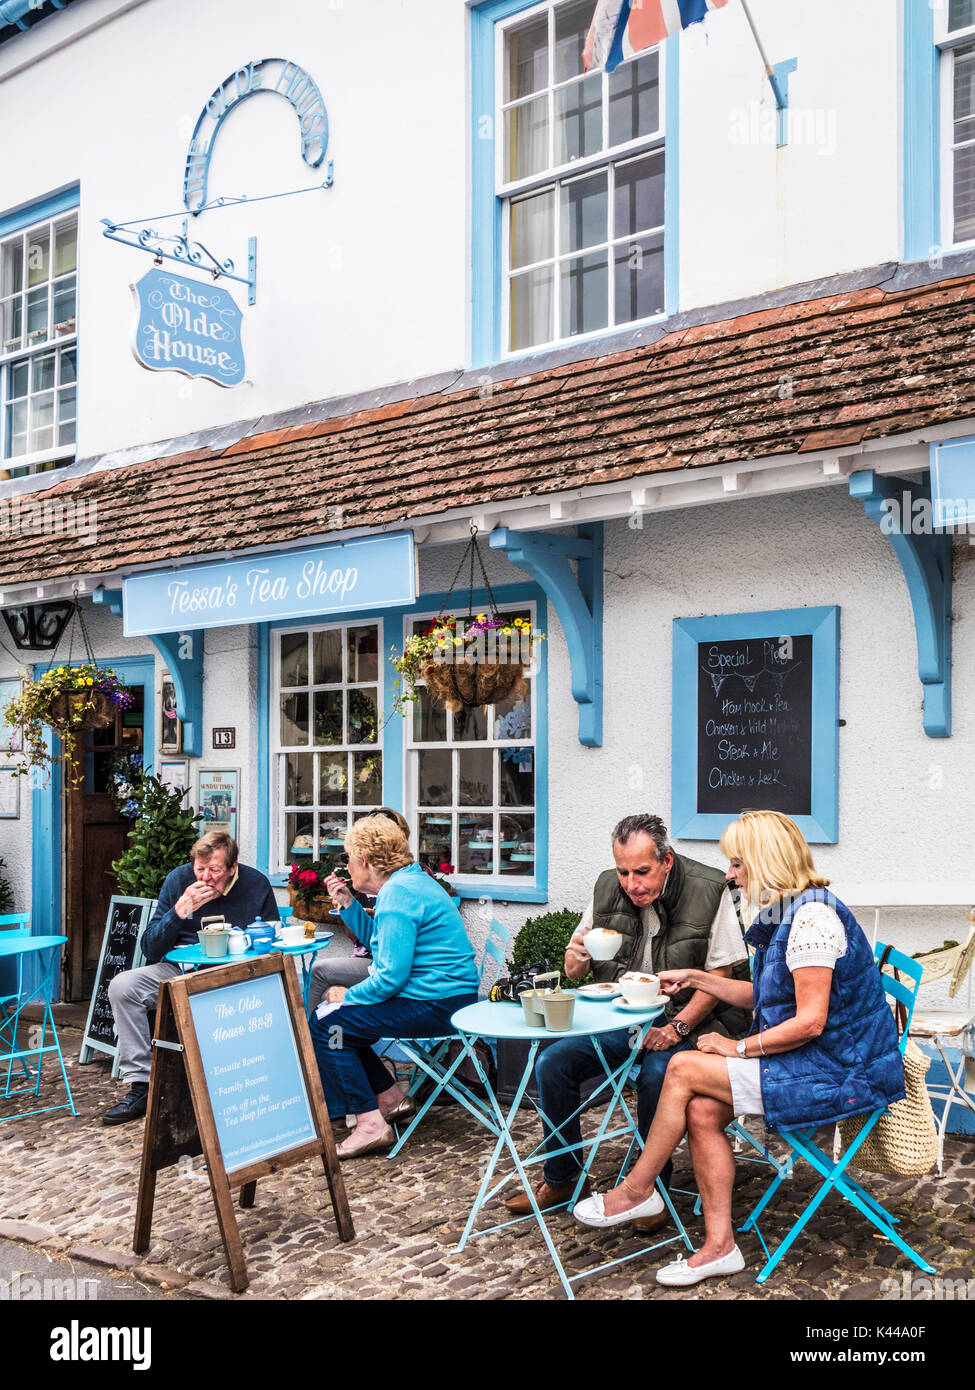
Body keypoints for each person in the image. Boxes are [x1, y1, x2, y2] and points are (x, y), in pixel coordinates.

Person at [572, 810, 906, 1286]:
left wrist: (738, 1048)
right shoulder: (788, 909)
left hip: (839, 1072)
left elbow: (810, 1023)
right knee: (703, 1111)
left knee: (684, 1068)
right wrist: (694, 977)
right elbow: (768, 997)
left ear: (765, 861)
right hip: (814, 1060)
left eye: (737, 862)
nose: (730, 873)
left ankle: (637, 1189)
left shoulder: (812, 919)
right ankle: (719, 1247)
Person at [505, 813, 750, 1233]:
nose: (632, 884)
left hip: (698, 1020)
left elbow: (722, 976)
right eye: (623, 872)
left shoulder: (710, 887)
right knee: (553, 1064)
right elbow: (576, 969)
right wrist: (578, 956)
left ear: (666, 861)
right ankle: (561, 1179)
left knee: (660, 1072)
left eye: (642, 871)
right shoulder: (606, 886)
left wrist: (677, 1029)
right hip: (627, 1017)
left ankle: (653, 1190)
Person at [307, 816, 478, 1158]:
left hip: (435, 1004)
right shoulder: (411, 882)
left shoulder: (397, 895)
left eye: (349, 859)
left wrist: (348, 995)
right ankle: (389, 1098)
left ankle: (371, 1125)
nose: (348, 867)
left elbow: (389, 979)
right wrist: (348, 904)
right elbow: (380, 942)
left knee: (330, 1026)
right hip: (445, 997)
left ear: (366, 862)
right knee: (340, 1025)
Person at [103, 831, 279, 1125]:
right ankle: (143, 1084)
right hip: (182, 971)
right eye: (200, 869)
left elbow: (272, 938)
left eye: (215, 870)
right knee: (123, 987)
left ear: (233, 868)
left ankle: (250, 1080)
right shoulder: (178, 880)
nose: (206, 877)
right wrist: (179, 912)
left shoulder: (256, 884)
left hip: (236, 976)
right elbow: (151, 947)